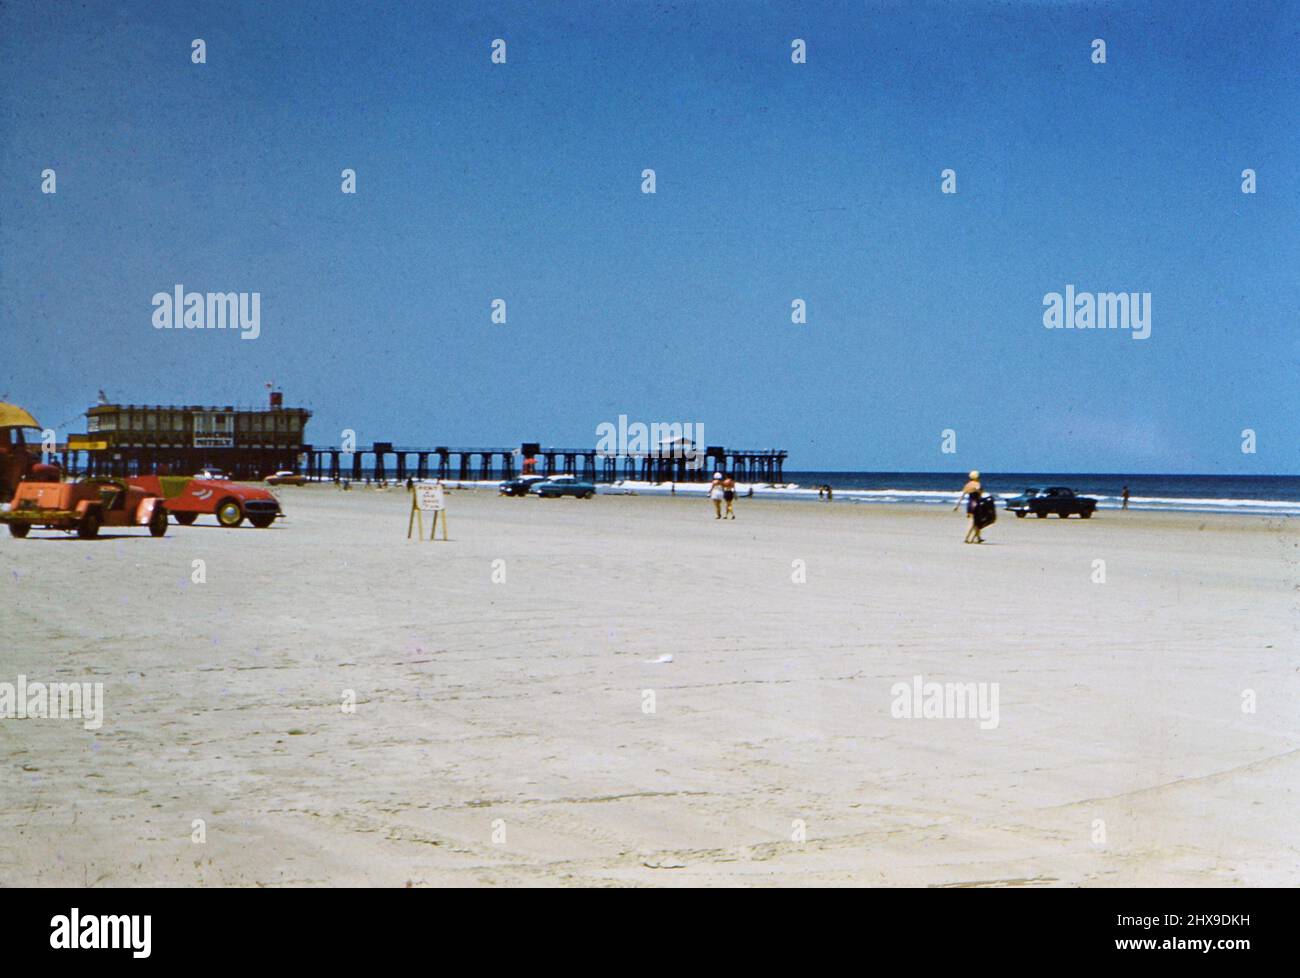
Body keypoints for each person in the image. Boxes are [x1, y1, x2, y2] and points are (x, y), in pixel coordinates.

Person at [955, 470, 984, 543]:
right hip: (976, 504)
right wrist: (980, 491)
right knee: (973, 522)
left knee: (975, 522)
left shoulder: (967, 484)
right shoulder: (977, 483)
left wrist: (957, 505)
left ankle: (978, 538)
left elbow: (962, 496)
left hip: (969, 504)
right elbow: (979, 492)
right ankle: (966, 538)